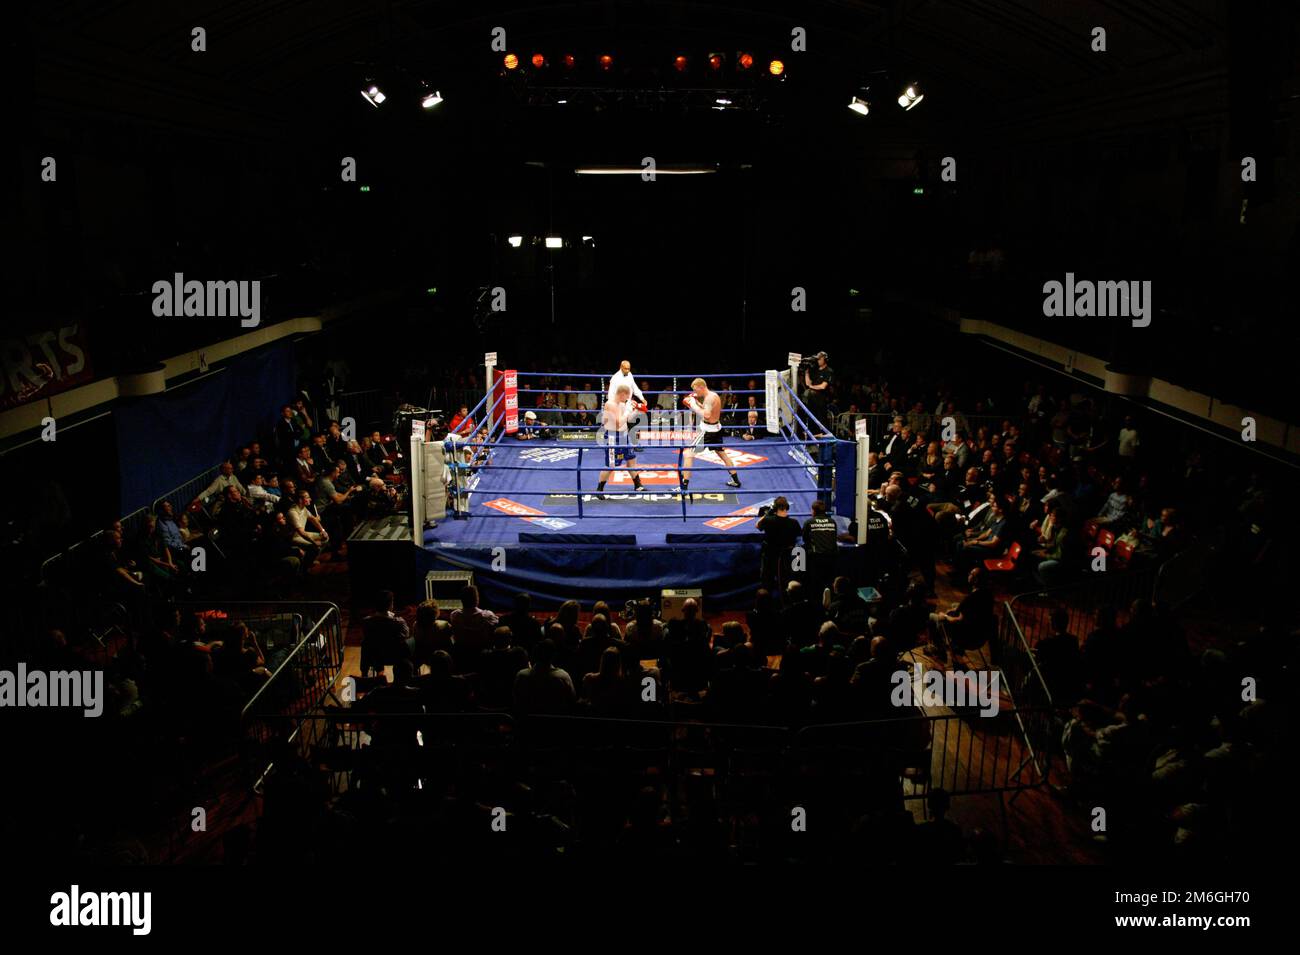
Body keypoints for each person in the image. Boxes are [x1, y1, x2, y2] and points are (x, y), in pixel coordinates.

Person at [680, 378, 741, 495]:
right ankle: (735, 480)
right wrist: (696, 403)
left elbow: (707, 415)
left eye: (695, 390)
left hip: (707, 431)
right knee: (722, 453)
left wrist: (692, 405)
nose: (695, 392)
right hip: (716, 428)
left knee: (688, 454)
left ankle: (684, 486)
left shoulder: (708, 399)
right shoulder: (714, 395)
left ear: (700, 387)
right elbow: (708, 410)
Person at [596, 384, 644, 497]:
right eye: (627, 396)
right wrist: (628, 410)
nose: (628, 399)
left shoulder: (622, 404)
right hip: (613, 437)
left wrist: (637, 411)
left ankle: (638, 485)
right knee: (611, 465)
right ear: (622, 394)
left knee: (631, 460)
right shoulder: (610, 404)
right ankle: (599, 490)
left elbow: (628, 419)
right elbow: (618, 423)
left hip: (625, 435)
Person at [756, 496, 801, 590]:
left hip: (770, 556)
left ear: (775, 508)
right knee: (785, 582)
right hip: (786, 557)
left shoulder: (768, 520)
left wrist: (768, 513)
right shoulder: (794, 523)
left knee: (767, 583)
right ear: (787, 508)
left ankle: (765, 601)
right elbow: (798, 536)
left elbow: (758, 525)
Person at [802, 499, 839, 595]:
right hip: (832, 558)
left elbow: (805, 539)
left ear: (813, 511)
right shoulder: (832, 521)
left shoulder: (809, 522)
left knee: (815, 583)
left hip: (816, 558)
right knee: (829, 581)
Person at [801, 351, 834, 430]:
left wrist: (811, 387)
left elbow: (823, 386)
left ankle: (824, 433)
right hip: (813, 399)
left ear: (825, 360)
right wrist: (806, 372)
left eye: (820, 359)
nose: (818, 360)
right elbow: (808, 383)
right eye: (818, 359)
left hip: (822, 399)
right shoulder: (815, 370)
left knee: (821, 418)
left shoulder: (828, 371)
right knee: (811, 417)